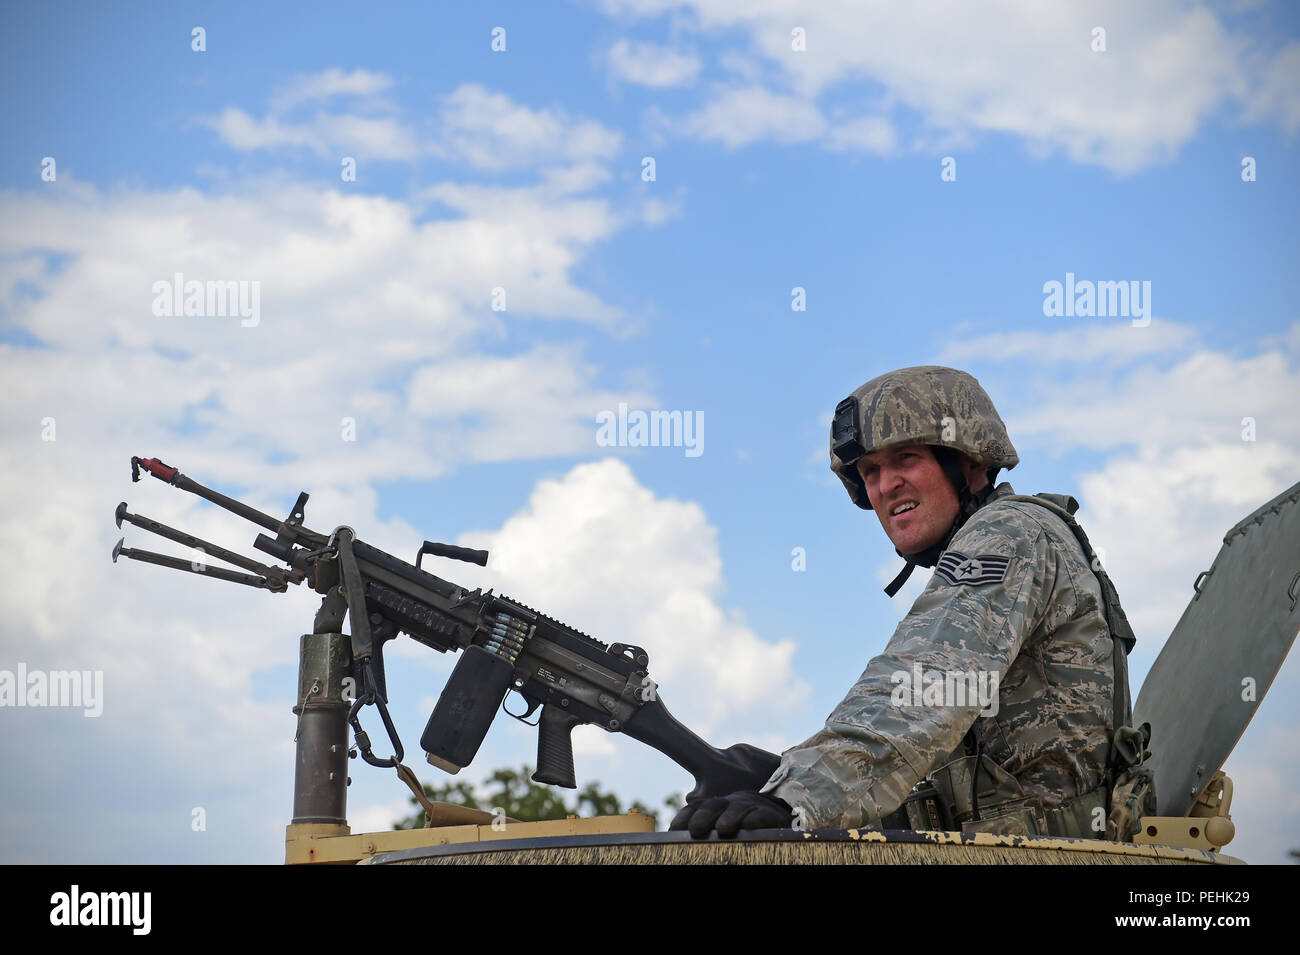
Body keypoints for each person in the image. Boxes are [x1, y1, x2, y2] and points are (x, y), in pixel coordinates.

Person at [672, 365, 1144, 840]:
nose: (885, 485)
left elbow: (925, 688)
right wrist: (783, 772)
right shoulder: (1002, 543)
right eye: (871, 471)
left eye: (907, 458)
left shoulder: (1008, 534)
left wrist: (797, 795)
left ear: (971, 464)